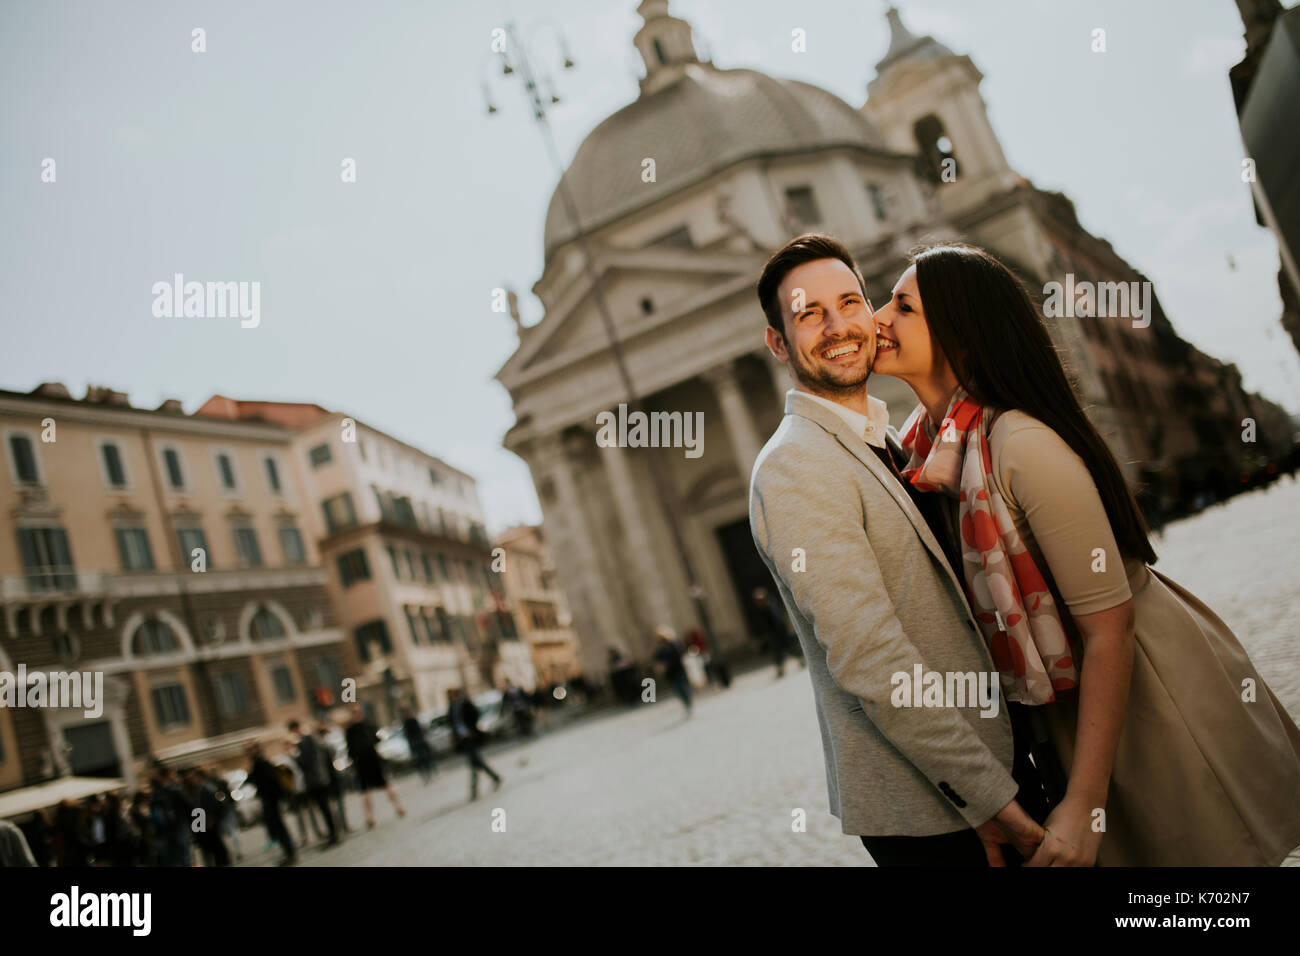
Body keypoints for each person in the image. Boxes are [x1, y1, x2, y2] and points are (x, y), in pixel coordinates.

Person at [874, 242, 1300, 866]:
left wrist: (1084, 804)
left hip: (1146, 695)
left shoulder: (1019, 442)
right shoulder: (934, 451)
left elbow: (1111, 628)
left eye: (903, 305)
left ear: (962, 334)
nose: (878, 317)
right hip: (1076, 705)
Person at [749, 234, 1047, 866]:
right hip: (939, 812)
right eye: (808, 314)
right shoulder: (796, 466)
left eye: (850, 302)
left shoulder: (882, 438)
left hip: (989, 766)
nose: (838, 327)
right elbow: (870, 657)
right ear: (778, 343)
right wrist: (987, 798)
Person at [344, 705, 406, 828]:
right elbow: (377, 739)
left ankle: (383, 812)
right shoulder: (367, 726)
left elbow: (350, 749)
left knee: (372, 789)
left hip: (365, 762)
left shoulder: (352, 730)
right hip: (369, 761)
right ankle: (388, 810)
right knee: (373, 789)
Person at [245, 741, 296, 865]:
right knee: (276, 826)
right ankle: (289, 852)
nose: (248, 752)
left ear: (256, 749)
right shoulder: (259, 762)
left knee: (278, 826)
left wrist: (267, 794)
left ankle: (290, 853)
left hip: (270, 800)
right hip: (269, 799)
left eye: (250, 749)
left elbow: (269, 781)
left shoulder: (260, 762)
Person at [446, 687, 502, 801]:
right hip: (462, 739)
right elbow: (451, 723)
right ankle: (494, 778)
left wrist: (472, 729)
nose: (450, 697)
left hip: (470, 737)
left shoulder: (465, 704)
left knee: (474, 762)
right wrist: (454, 737)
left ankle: (475, 789)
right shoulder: (451, 708)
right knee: (476, 762)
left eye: (451, 694)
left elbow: (475, 715)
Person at [290, 720, 339, 844]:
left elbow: (304, 763)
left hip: (314, 781)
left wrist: (294, 756)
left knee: (324, 808)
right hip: (319, 779)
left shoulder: (303, 743)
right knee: (325, 808)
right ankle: (333, 831)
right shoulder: (312, 740)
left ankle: (333, 833)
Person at [181, 767, 232, 867]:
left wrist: (213, 817)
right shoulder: (187, 795)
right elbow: (188, 812)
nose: (193, 781)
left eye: (193, 778)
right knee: (206, 849)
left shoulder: (205, 790)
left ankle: (222, 862)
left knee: (216, 846)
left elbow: (217, 804)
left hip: (208, 822)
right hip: (198, 823)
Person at [752, 587, 804, 677]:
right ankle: (782, 668)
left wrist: (779, 630)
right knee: (779, 651)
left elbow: (777, 619)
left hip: (779, 632)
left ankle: (800, 659)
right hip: (773, 633)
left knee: (787, 648)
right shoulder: (763, 608)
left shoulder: (770, 606)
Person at [315, 723, 351, 834]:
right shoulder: (324, 745)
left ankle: (340, 826)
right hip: (331, 777)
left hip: (329, 777)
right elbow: (333, 753)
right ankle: (342, 825)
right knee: (337, 803)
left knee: (334, 804)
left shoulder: (318, 746)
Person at [651, 626, 693, 717]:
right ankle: (686, 705)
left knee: (682, 687)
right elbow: (656, 659)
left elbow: (679, 655)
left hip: (679, 670)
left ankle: (688, 704)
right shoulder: (660, 649)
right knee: (678, 690)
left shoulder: (674, 645)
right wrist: (659, 667)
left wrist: (667, 664)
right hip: (670, 674)